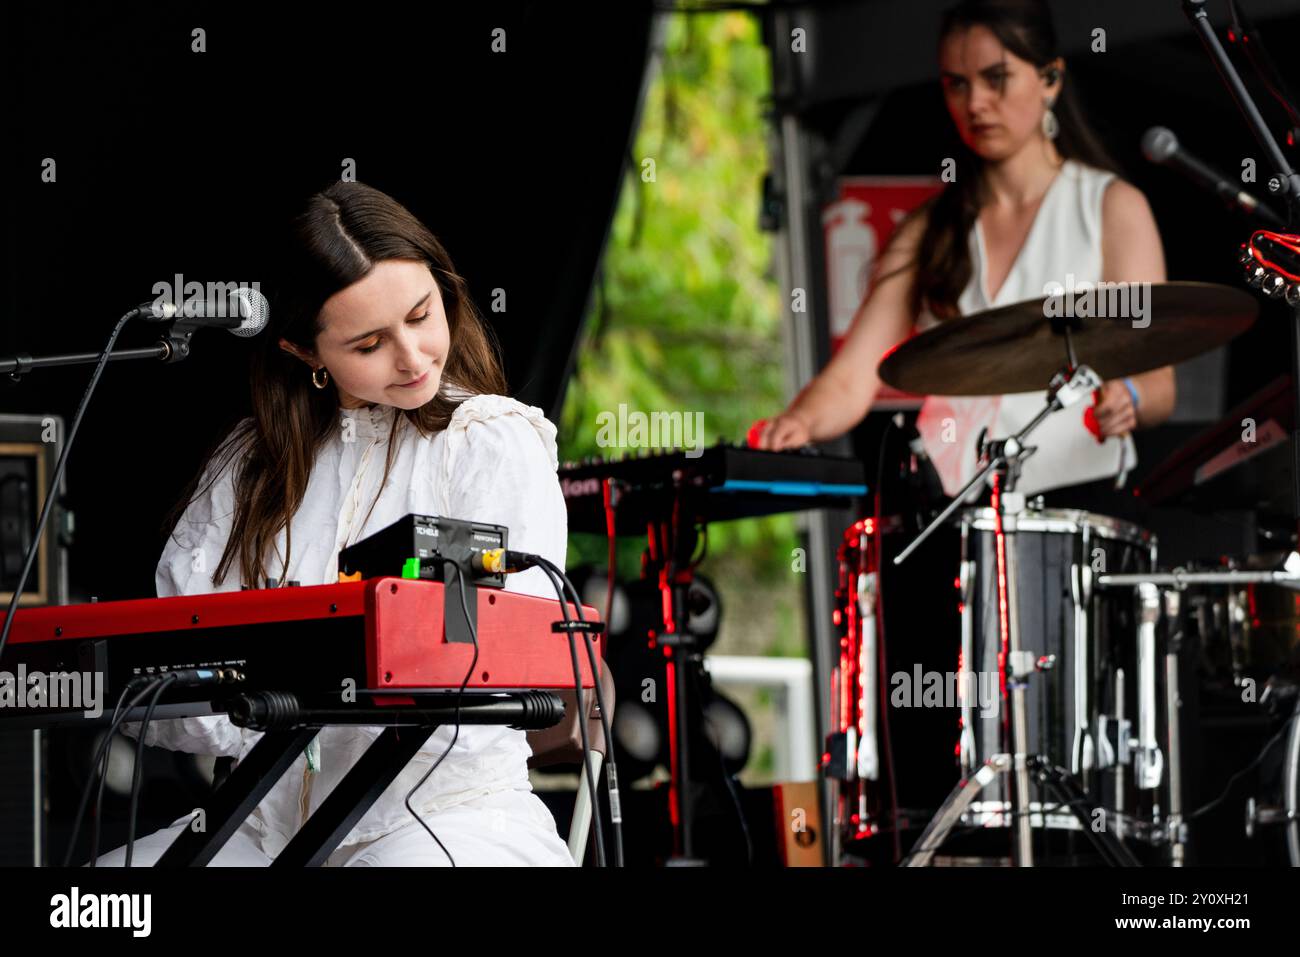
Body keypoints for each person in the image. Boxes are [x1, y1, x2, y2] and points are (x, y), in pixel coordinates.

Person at [97, 181, 575, 866]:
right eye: (370, 342)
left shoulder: (492, 441)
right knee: (94, 900)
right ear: (305, 351)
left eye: (421, 315)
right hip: (262, 826)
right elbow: (184, 669)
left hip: (445, 817)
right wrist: (230, 696)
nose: (412, 357)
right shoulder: (253, 461)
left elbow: (502, 659)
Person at [754, 0, 1176, 501]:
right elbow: (853, 377)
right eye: (957, 83)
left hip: (1075, 500)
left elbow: (1159, 385)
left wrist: (1128, 397)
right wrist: (796, 422)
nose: (974, 103)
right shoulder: (928, 228)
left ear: (1050, 79)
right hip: (950, 504)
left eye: (996, 78)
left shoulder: (1111, 207)